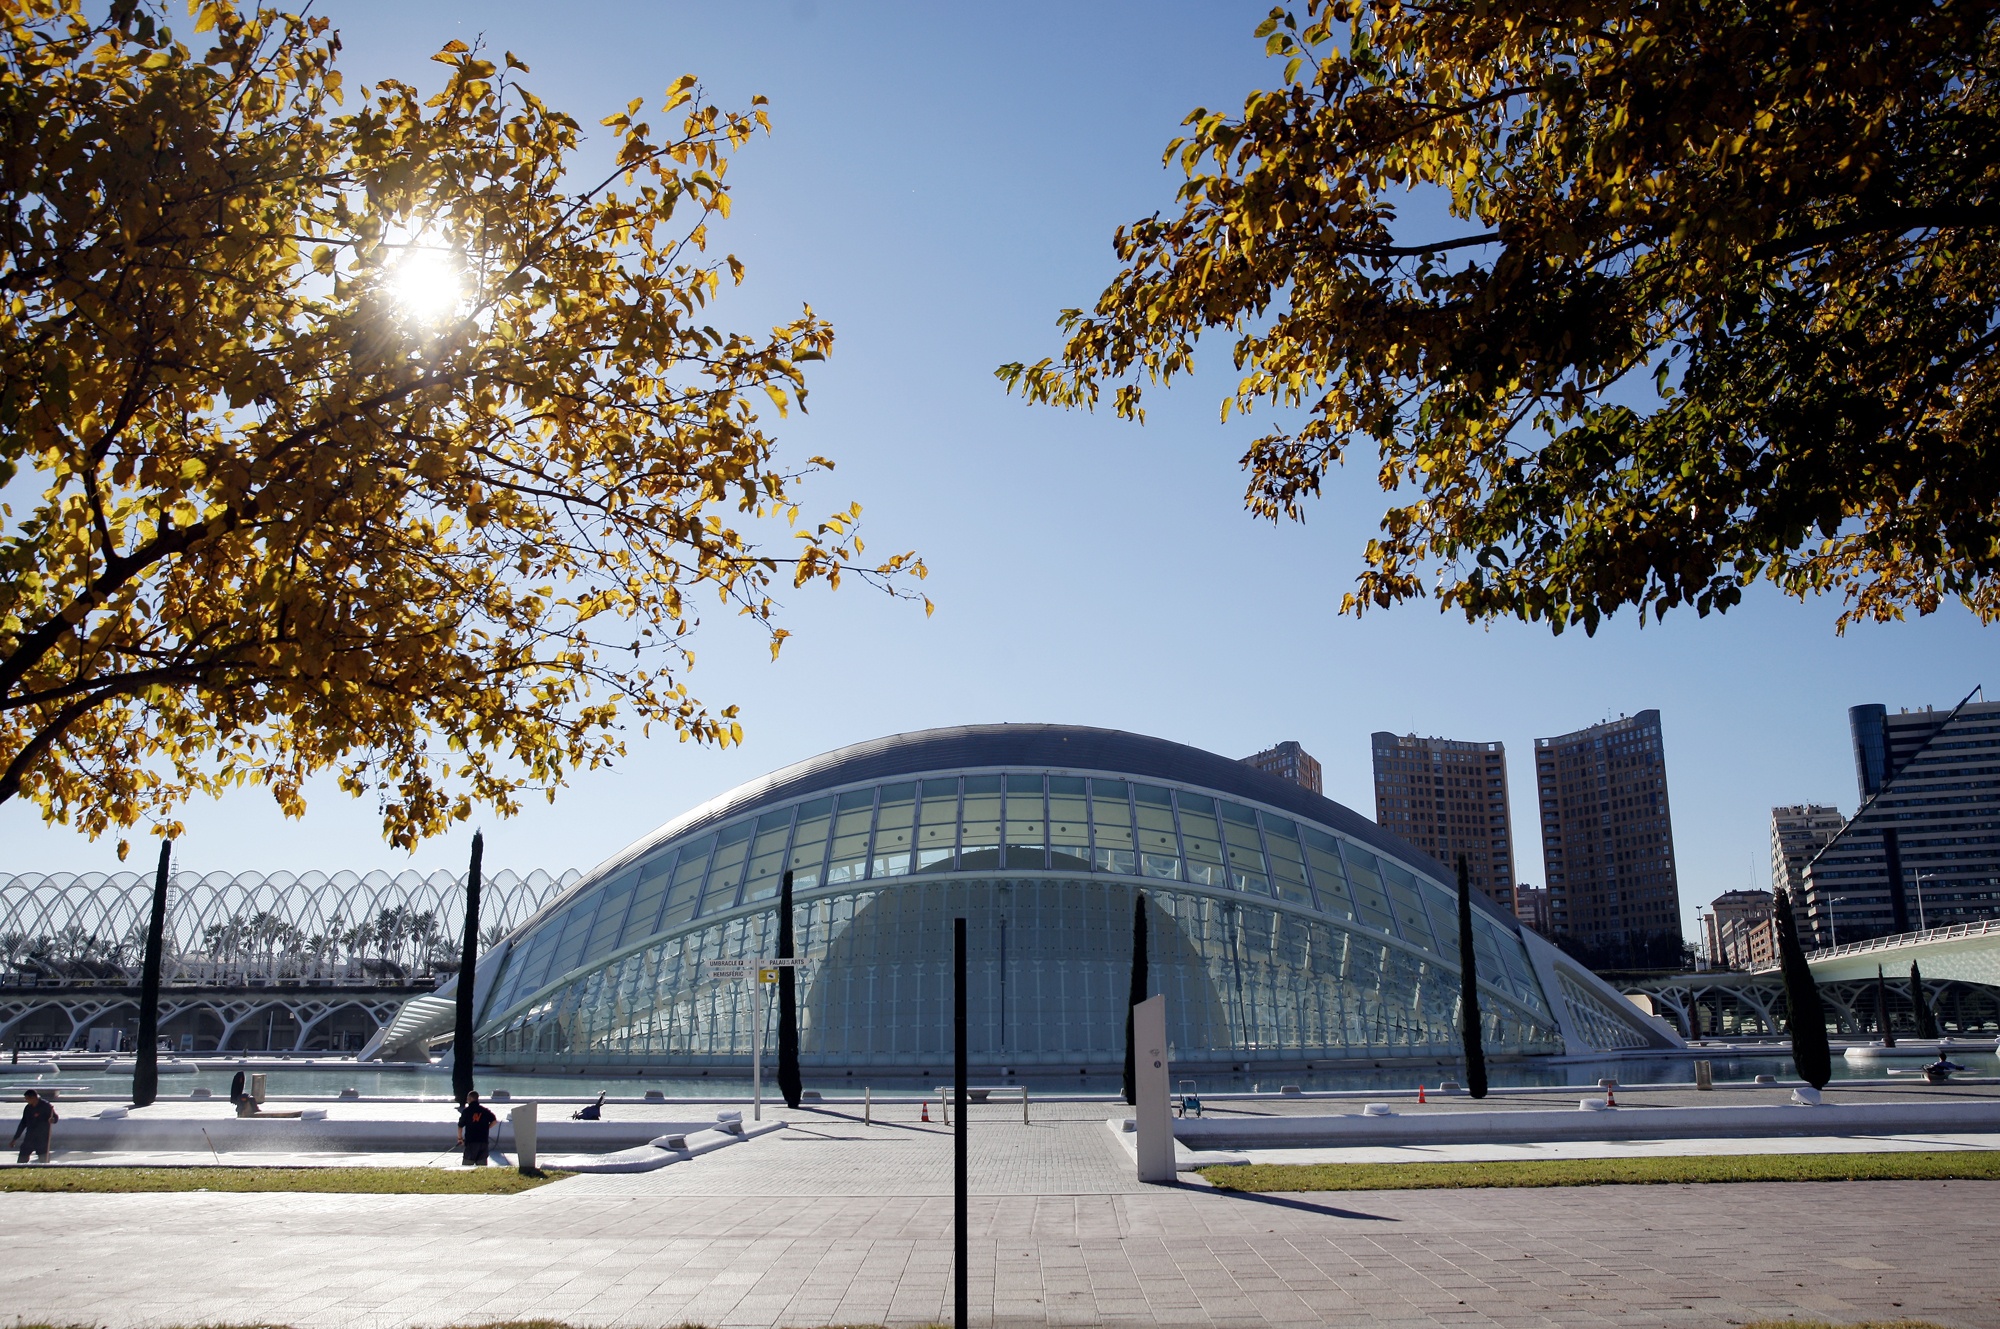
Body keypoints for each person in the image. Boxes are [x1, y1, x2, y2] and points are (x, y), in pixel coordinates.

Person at [12, 1089, 58, 1164]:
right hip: (29, 1137)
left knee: (44, 1159)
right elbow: (23, 1123)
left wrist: (52, 1120)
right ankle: (20, 1168)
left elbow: (55, 1117)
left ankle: (45, 1168)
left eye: (27, 1099)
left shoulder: (46, 1106)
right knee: (22, 1156)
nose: (26, 1100)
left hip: (42, 1138)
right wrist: (15, 1138)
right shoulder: (28, 1108)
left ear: (33, 1097)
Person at [457, 1090, 497, 1166]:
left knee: (467, 1166)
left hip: (471, 1142)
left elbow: (460, 1126)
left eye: (468, 1098)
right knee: (482, 1167)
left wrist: (460, 1138)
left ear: (470, 1098)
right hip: (483, 1142)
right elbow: (494, 1121)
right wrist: (486, 1128)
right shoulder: (485, 1111)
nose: (467, 1100)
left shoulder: (466, 1111)